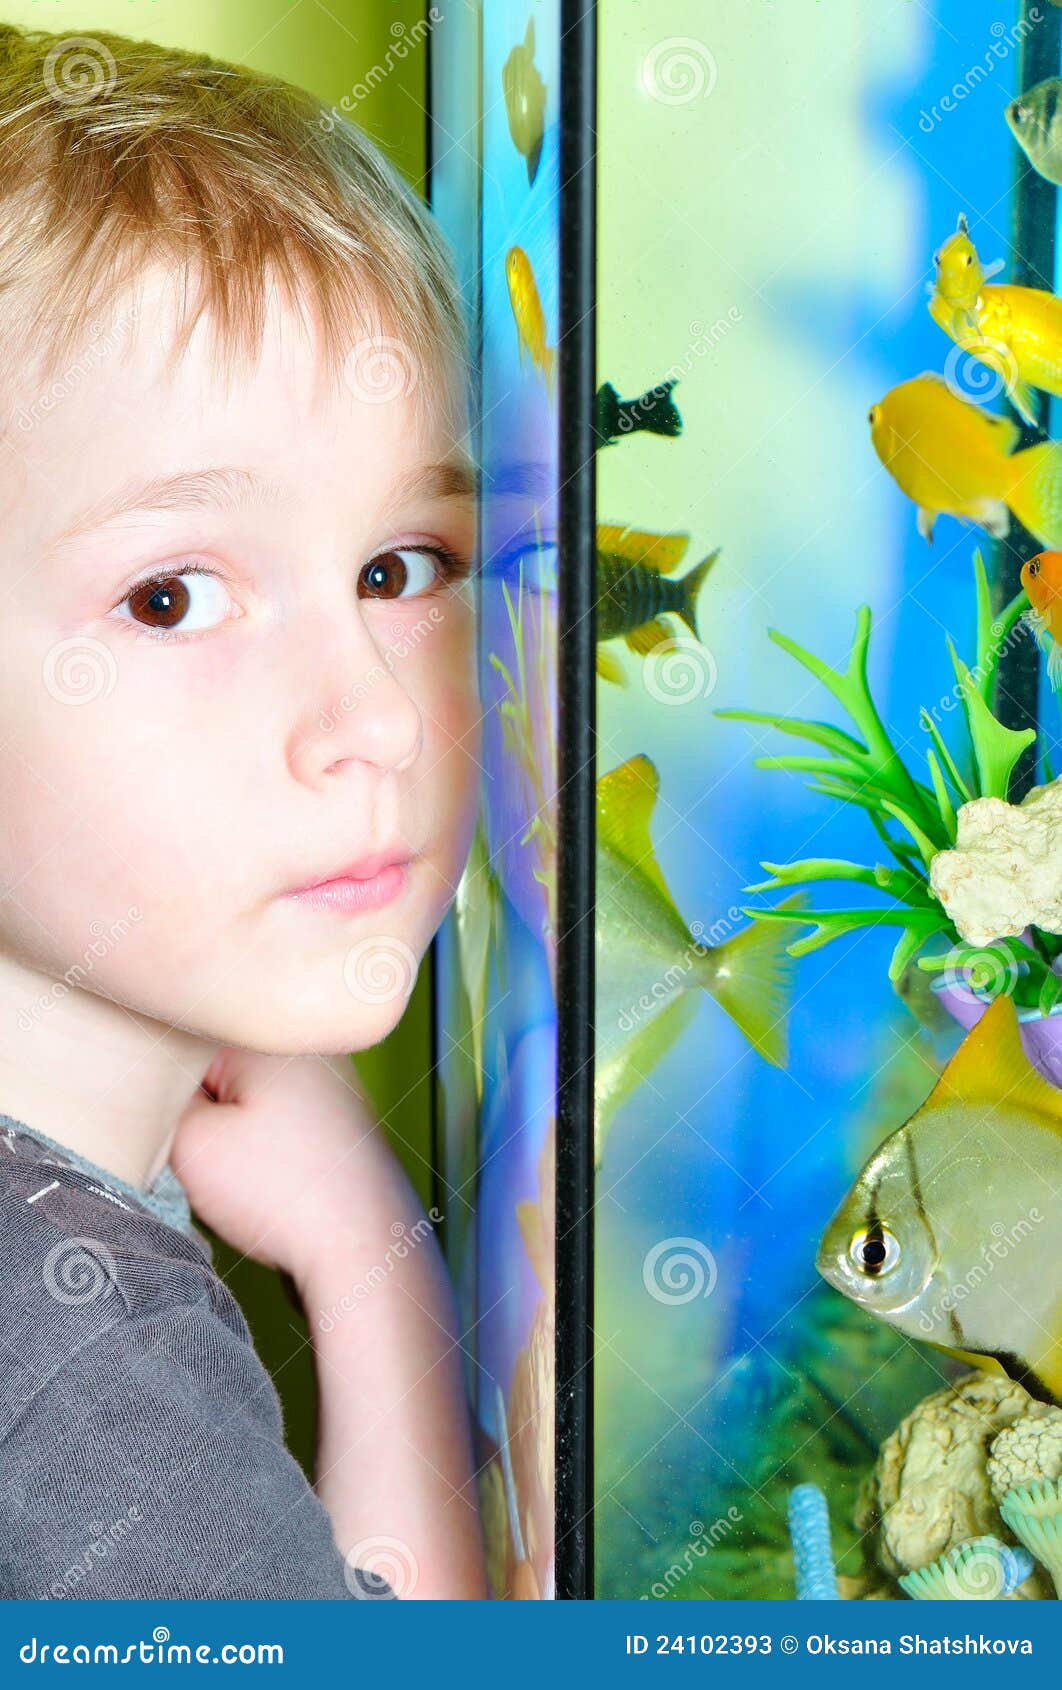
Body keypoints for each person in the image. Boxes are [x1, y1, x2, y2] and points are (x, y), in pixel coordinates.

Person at [0, 24, 487, 1600]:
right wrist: (375, 1269)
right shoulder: (91, 1371)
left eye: (397, 570)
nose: (378, 721)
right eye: (171, 593)